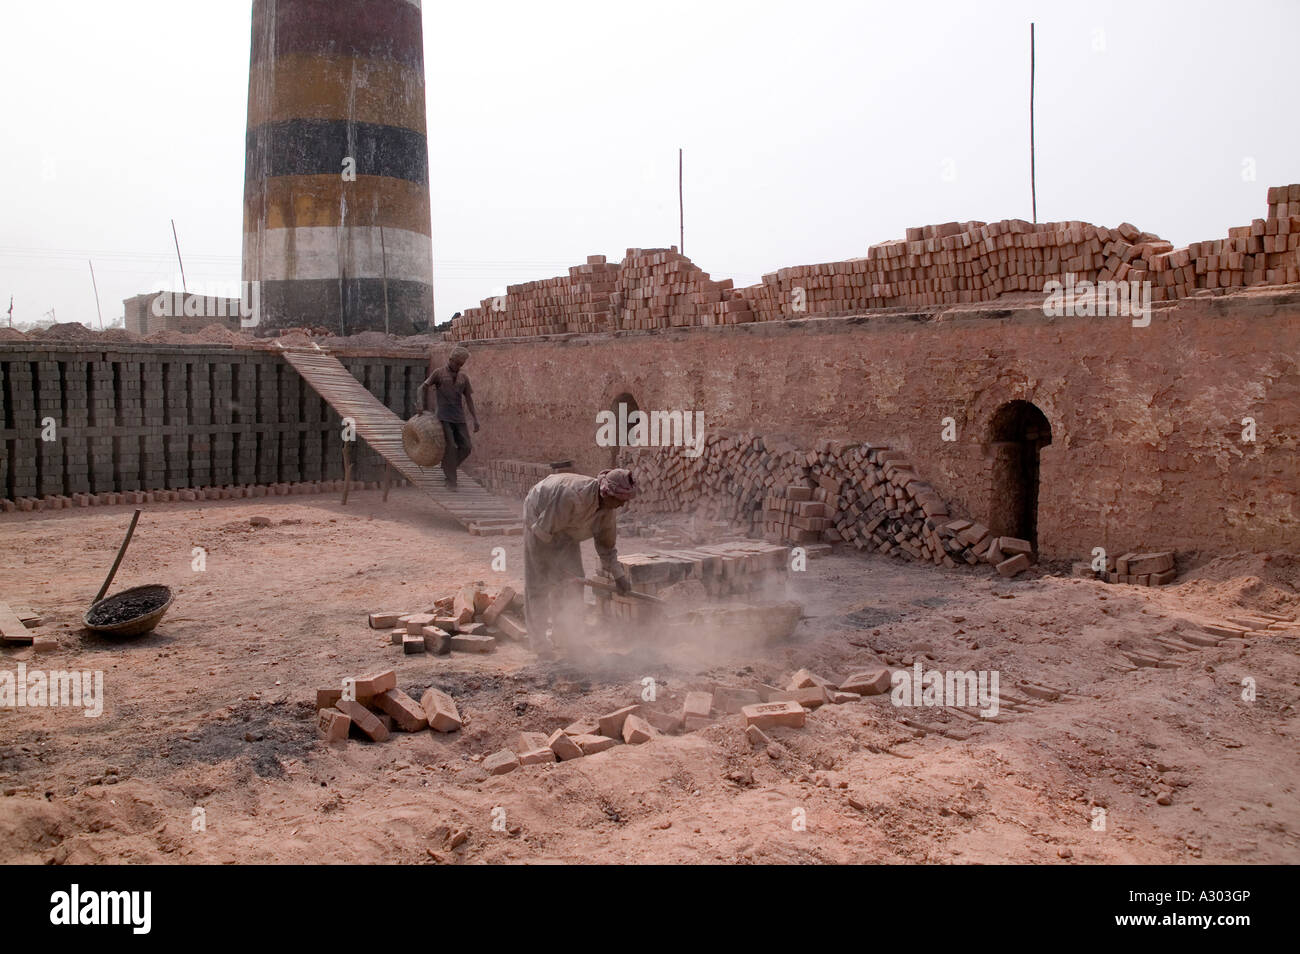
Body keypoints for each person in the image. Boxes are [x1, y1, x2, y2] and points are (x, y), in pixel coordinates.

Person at [523, 468, 637, 657]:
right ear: (606, 492)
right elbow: (544, 532)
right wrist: (555, 567)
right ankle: (539, 644)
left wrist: (619, 577)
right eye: (619, 501)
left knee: (574, 583)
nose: (621, 506)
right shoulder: (572, 496)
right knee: (539, 584)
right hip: (539, 520)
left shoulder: (608, 511)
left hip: (567, 532)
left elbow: (607, 547)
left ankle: (567, 638)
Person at [417, 346, 479, 489]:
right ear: (450, 359)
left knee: (466, 447)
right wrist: (420, 404)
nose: (458, 366)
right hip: (444, 417)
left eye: (461, 364)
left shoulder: (463, 378)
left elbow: (469, 399)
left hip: (459, 417)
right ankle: (451, 481)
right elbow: (422, 387)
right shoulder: (439, 373)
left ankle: (447, 467)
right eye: (456, 363)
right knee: (450, 446)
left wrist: (475, 419)